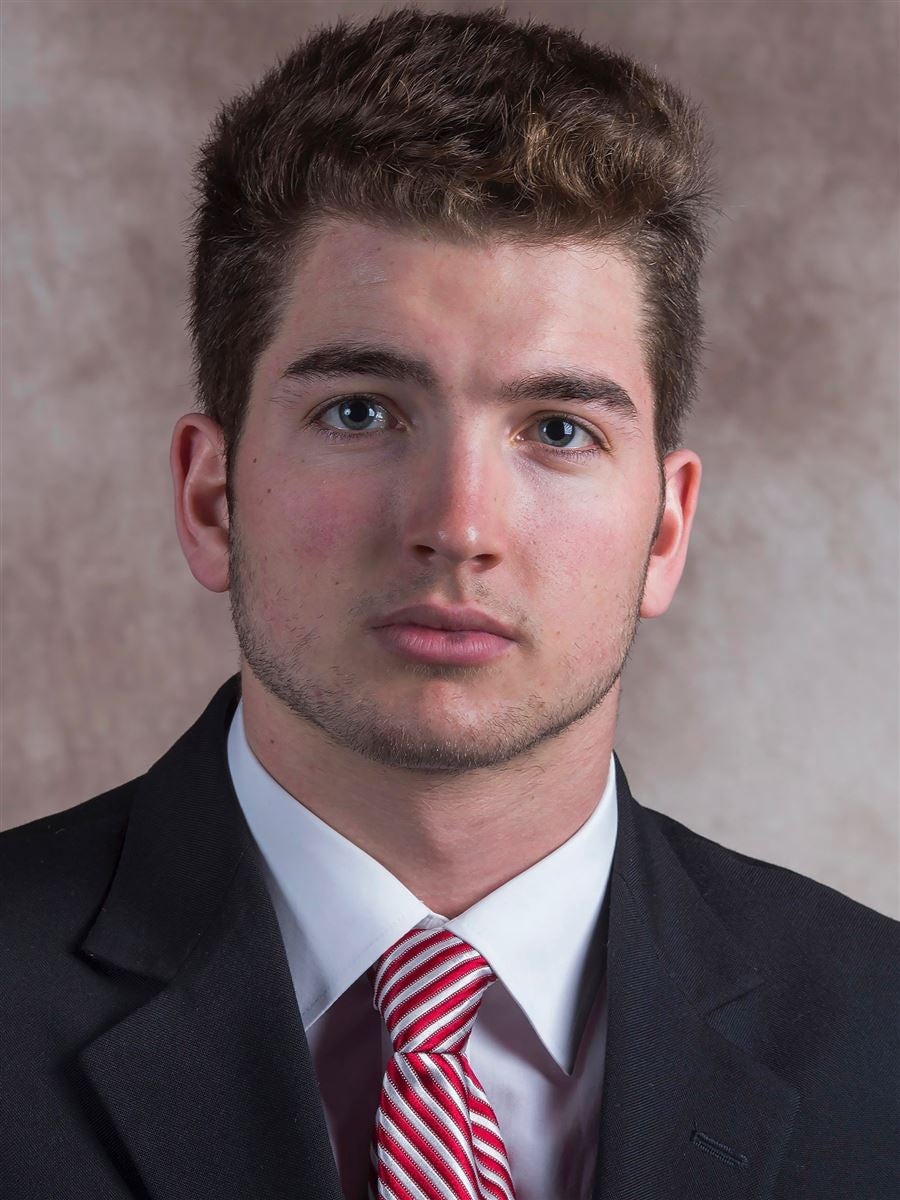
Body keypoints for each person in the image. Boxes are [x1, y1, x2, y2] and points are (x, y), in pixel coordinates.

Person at [2, 5, 898, 1199]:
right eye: (360, 412)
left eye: (559, 430)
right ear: (212, 498)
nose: (460, 525)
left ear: (665, 530)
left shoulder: (881, 1044)